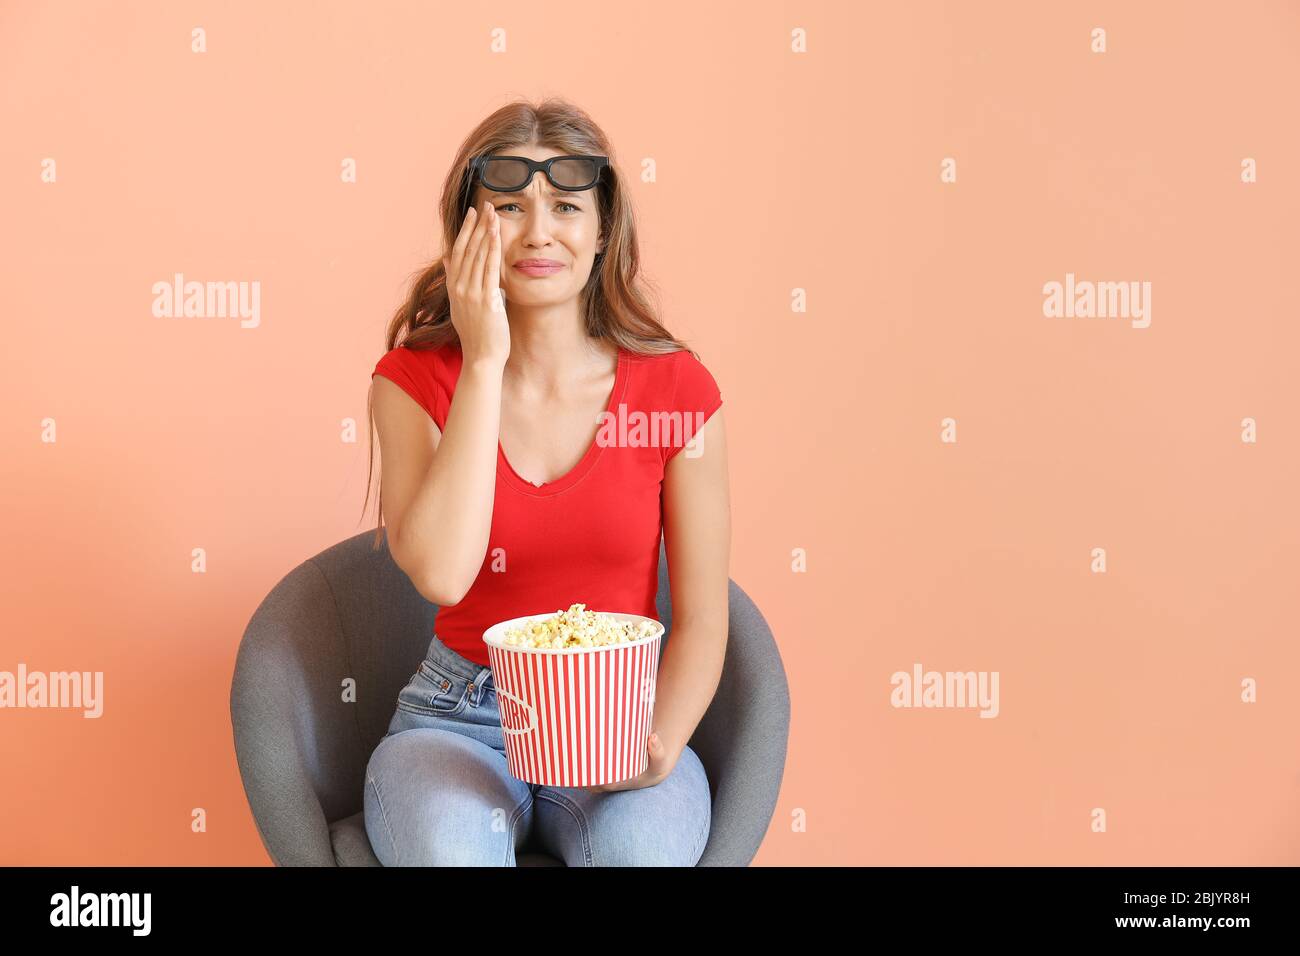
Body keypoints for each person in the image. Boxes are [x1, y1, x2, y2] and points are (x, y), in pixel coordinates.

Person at [359, 97, 729, 866]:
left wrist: (656, 749)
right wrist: (483, 359)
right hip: (455, 720)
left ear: (602, 230)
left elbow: (701, 619)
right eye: (507, 207)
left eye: (565, 206)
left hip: (618, 717)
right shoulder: (411, 381)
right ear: (469, 231)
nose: (538, 231)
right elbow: (443, 573)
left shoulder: (677, 393)